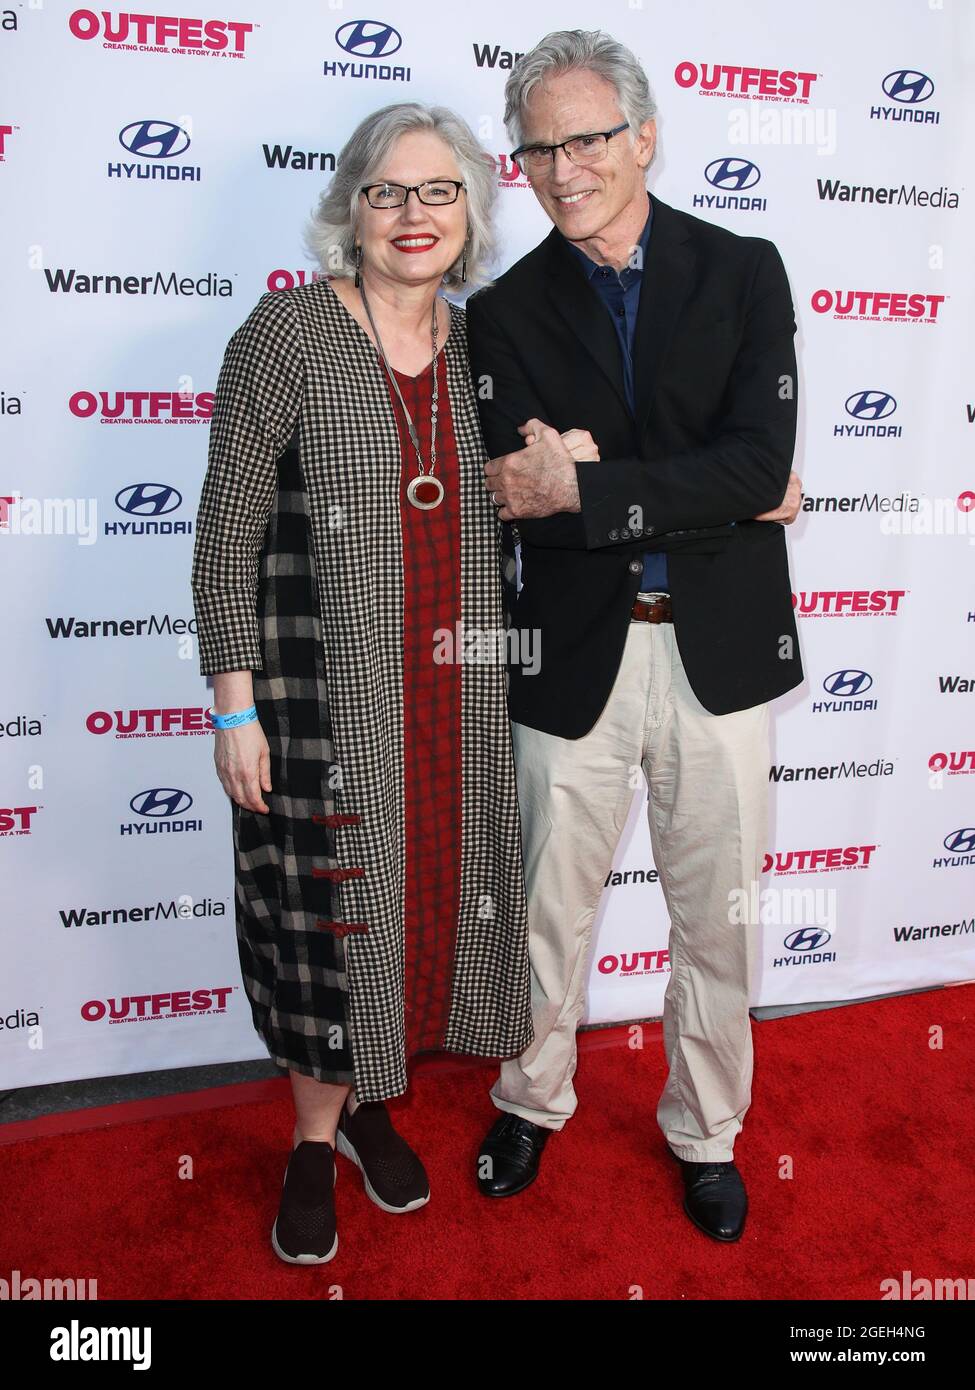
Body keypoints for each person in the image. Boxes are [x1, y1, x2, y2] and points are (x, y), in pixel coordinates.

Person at [466, 30, 804, 1242]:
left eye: (589, 138)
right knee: (545, 908)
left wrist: (602, 483)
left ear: (645, 137)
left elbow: (760, 461)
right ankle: (530, 1096)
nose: (565, 169)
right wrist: (701, 485)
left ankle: (706, 1131)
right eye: (540, 147)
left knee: (719, 915)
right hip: (570, 654)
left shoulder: (744, 270)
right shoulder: (499, 311)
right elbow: (523, 496)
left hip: (718, 653)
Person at [191, 102, 541, 1265]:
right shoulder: (286, 334)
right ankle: (309, 1137)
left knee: (421, 906)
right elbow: (225, 529)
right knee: (323, 917)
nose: (413, 215)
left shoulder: (486, 345)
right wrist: (232, 703)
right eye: (388, 192)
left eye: (439, 191)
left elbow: (549, 476)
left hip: (456, 700)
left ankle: (373, 1102)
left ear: (473, 212)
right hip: (316, 698)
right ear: (351, 209)